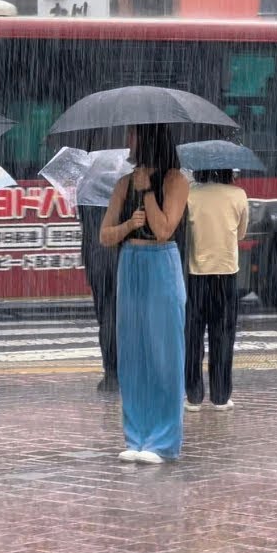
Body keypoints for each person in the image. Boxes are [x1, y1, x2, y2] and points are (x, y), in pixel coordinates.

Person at [100, 124, 189, 465]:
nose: (128, 141)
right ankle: (136, 436)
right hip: (130, 263)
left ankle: (163, 441)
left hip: (160, 263)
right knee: (133, 354)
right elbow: (106, 235)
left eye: (134, 134)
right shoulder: (123, 183)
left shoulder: (176, 181)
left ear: (151, 138)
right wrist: (129, 225)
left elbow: (166, 229)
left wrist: (148, 191)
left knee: (163, 355)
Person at [184, 169, 248, 412]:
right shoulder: (238, 194)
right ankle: (221, 396)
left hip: (195, 274)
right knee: (223, 335)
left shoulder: (189, 194)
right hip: (226, 273)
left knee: (193, 337)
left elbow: (185, 235)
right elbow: (241, 233)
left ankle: (194, 395)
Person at [79, 202, 120, 392]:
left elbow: (86, 227)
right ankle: (127, 369)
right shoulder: (126, 187)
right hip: (122, 255)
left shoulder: (86, 189)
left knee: (106, 318)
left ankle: (111, 374)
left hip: (96, 258)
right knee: (127, 317)